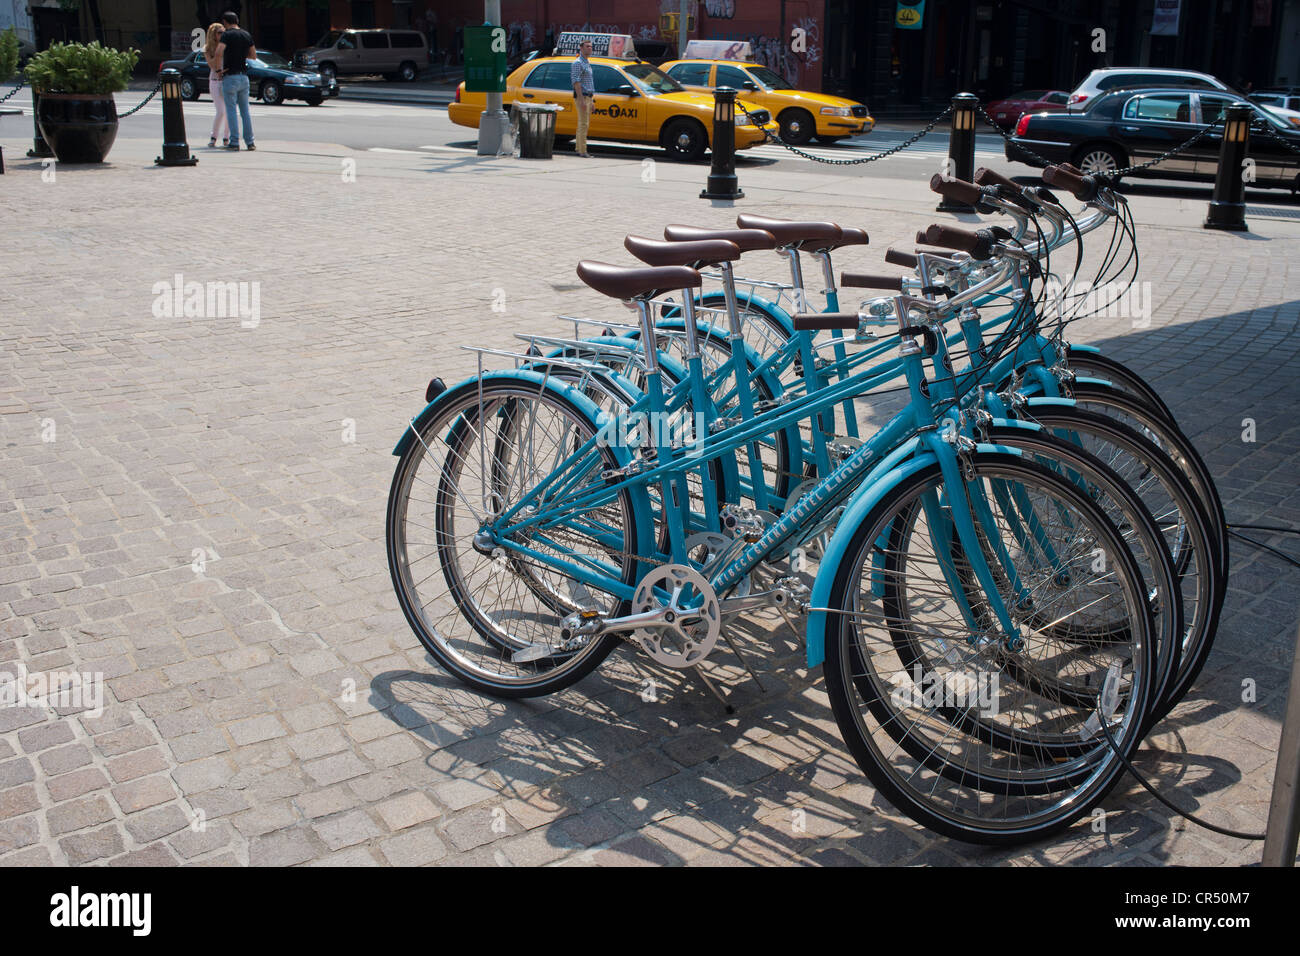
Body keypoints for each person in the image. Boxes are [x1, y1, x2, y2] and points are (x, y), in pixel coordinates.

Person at [214, 11, 256, 151]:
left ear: (225, 22)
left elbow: (219, 52)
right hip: (244, 76)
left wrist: (219, 71)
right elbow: (253, 55)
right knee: (245, 111)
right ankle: (250, 142)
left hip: (230, 76)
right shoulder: (246, 34)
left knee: (231, 110)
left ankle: (234, 142)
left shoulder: (226, 35)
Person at [202, 22, 228, 148]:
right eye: (220, 33)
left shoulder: (227, 46)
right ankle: (213, 137)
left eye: (224, 32)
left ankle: (227, 137)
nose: (223, 35)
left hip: (227, 80)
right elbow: (212, 65)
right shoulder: (208, 48)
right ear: (214, 35)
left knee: (229, 111)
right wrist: (218, 52)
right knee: (220, 111)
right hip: (214, 81)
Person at [570, 39, 595, 157]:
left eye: (590, 46)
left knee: (583, 123)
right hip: (582, 97)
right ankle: (582, 150)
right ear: (581, 48)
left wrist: (592, 100)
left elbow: (589, 82)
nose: (589, 48)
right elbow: (576, 82)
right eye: (587, 46)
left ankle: (578, 148)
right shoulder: (578, 63)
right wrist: (581, 100)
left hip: (588, 97)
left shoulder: (587, 62)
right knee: (583, 124)